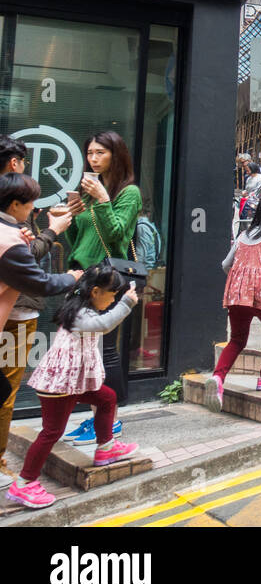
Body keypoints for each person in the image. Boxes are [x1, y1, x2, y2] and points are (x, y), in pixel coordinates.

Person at [7, 265, 138, 509]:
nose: (113, 300)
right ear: (95, 291)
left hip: (72, 381)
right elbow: (104, 325)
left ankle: (106, 448)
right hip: (61, 384)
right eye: (112, 294)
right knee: (51, 433)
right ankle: (24, 484)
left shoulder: (80, 303)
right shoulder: (82, 314)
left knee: (107, 398)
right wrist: (127, 303)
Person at [0, 172, 82, 488]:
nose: (33, 209)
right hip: (19, 315)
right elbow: (42, 282)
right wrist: (73, 278)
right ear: (16, 203)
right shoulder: (10, 240)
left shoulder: (10, 232)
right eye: (31, 203)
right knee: (5, 390)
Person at [61, 131, 142, 414]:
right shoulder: (90, 190)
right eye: (90, 153)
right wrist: (70, 217)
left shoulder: (128, 193)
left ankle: (111, 418)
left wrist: (104, 199)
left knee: (105, 350)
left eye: (100, 153)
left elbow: (116, 236)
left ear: (115, 155)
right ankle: (97, 418)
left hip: (106, 281)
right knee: (84, 351)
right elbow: (80, 241)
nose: (93, 159)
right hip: (82, 277)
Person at [204, 196, 261, 412]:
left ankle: (218, 377)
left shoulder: (243, 236)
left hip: (237, 295)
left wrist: (240, 278)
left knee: (236, 339)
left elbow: (226, 264)